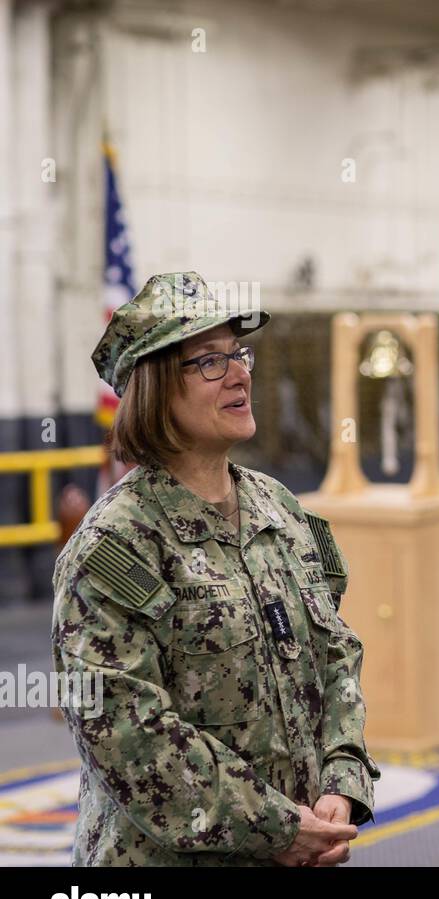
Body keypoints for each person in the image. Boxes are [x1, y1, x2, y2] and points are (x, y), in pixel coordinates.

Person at [52, 272, 380, 866]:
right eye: (208, 361)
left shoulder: (280, 510)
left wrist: (342, 781)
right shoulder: (114, 548)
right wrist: (279, 828)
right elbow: (128, 734)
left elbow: (337, 655)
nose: (239, 374)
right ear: (153, 389)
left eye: (239, 354)